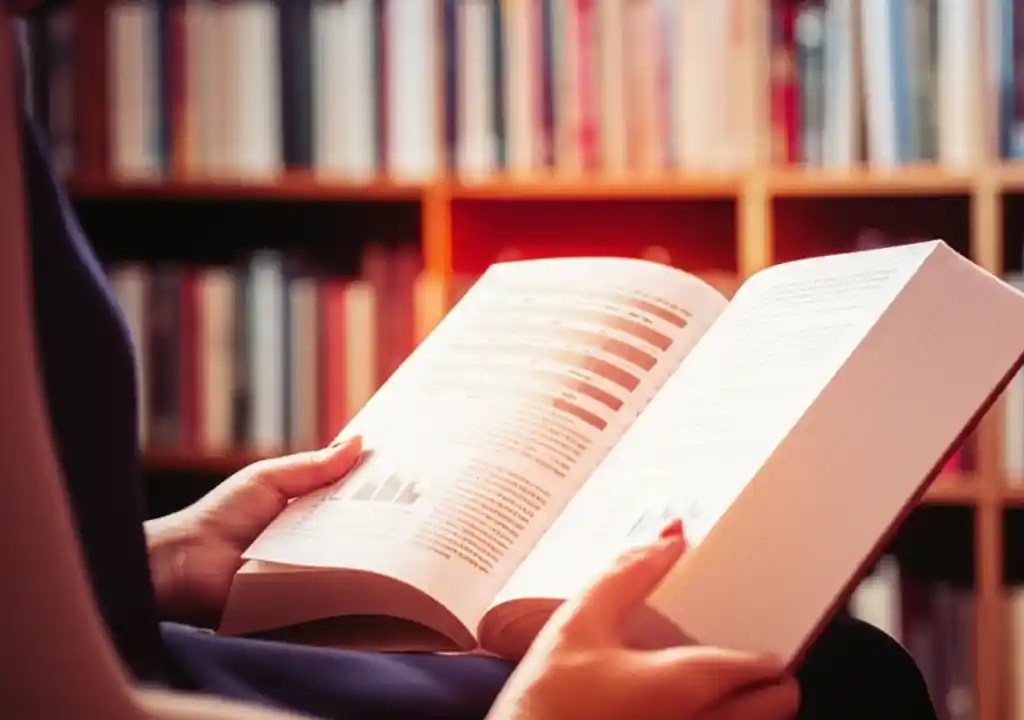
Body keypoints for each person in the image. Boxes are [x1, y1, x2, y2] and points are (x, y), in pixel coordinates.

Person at [2, 6, 938, 718]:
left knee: (832, 665)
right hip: (146, 685)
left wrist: (160, 556)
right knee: (836, 682)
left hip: (139, 634)